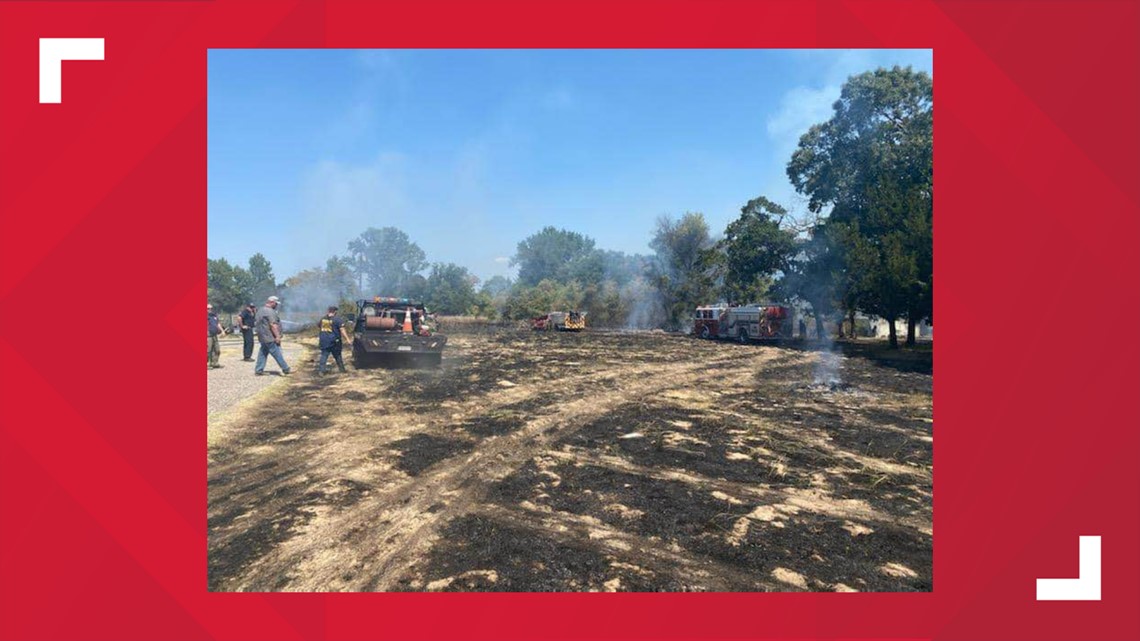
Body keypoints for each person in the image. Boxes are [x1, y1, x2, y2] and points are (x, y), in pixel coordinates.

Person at [254, 296, 291, 376]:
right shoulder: (270, 311)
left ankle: (259, 369)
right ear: (272, 302)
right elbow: (273, 325)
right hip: (270, 337)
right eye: (276, 304)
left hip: (262, 336)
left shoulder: (260, 310)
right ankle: (286, 368)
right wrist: (277, 336)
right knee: (277, 353)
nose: (276, 305)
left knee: (263, 353)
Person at [316, 305, 350, 375]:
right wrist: (347, 339)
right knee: (337, 356)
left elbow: (319, 325)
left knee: (324, 355)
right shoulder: (337, 319)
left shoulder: (323, 319)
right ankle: (342, 371)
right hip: (334, 341)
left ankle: (321, 371)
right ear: (335, 312)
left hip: (324, 340)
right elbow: (342, 330)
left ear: (328, 311)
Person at [207, 303, 223, 369]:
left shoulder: (214, 316)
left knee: (217, 349)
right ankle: (207, 364)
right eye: (208, 308)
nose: (210, 310)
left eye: (211, 308)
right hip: (208, 335)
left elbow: (218, 324)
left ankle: (215, 363)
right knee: (208, 350)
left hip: (214, 335)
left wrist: (222, 331)